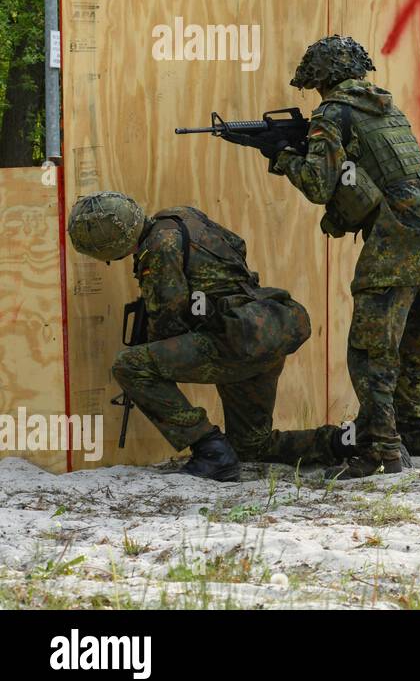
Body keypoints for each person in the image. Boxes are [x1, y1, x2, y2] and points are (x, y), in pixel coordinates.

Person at [67, 192, 350, 481]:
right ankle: (343, 442)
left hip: (230, 341)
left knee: (130, 366)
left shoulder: (157, 249)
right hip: (261, 329)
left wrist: (157, 340)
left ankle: (210, 450)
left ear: (110, 249)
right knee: (252, 446)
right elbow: (238, 245)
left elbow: (169, 321)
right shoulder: (180, 215)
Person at [269, 35, 420, 478]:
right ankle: (415, 433)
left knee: (370, 350)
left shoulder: (332, 113)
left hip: (398, 237)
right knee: (414, 341)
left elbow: (318, 184)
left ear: (322, 78)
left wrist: (282, 158)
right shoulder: (386, 108)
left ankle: (381, 451)